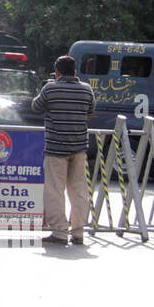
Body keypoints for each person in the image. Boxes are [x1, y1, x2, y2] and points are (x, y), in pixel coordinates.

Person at [31, 55, 96, 247]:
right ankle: (78, 232)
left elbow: (35, 106)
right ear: (75, 71)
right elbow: (90, 112)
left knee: (55, 191)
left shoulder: (50, 88)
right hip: (79, 148)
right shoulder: (86, 90)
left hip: (55, 148)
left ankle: (59, 232)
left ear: (57, 72)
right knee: (78, 191)